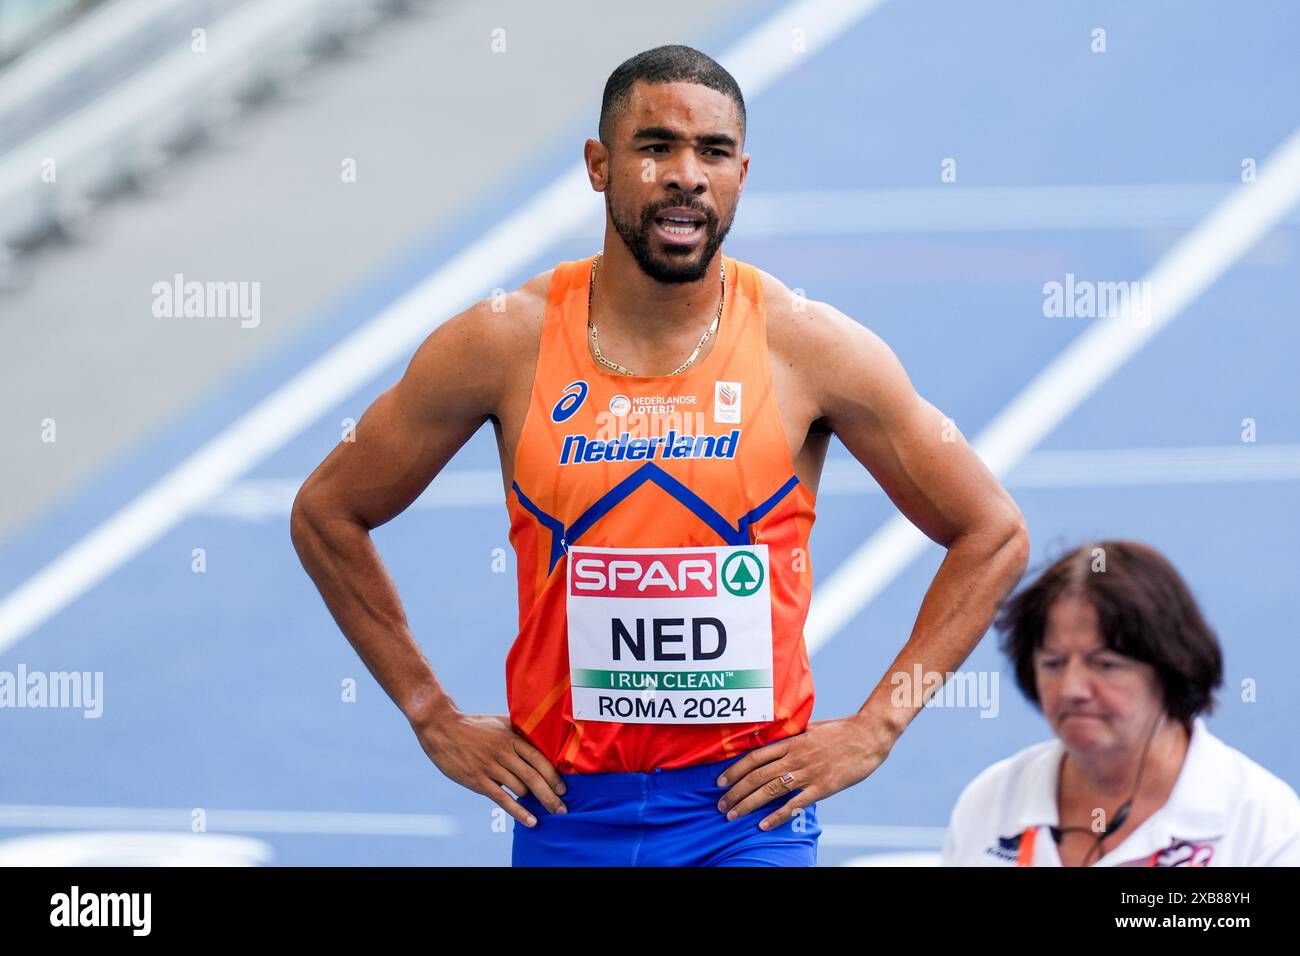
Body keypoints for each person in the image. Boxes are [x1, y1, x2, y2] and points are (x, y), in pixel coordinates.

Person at [290, 44, 1029, 867]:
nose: (687, 174)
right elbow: (327, 511)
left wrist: (877, 727)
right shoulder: (503, 343)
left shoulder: (810, 349)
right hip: (565, 811)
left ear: (742, 173)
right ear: (599, 165)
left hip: (745, 813)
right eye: (656, 147)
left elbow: (992, 532)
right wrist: (428, 708)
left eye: (713, 152)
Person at [941, 540, 1300, 867]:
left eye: (1106, 665)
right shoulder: (991, 800)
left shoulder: (1265, 825)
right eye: (1053, 663)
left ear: (1172, 669)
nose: (1072, 689)